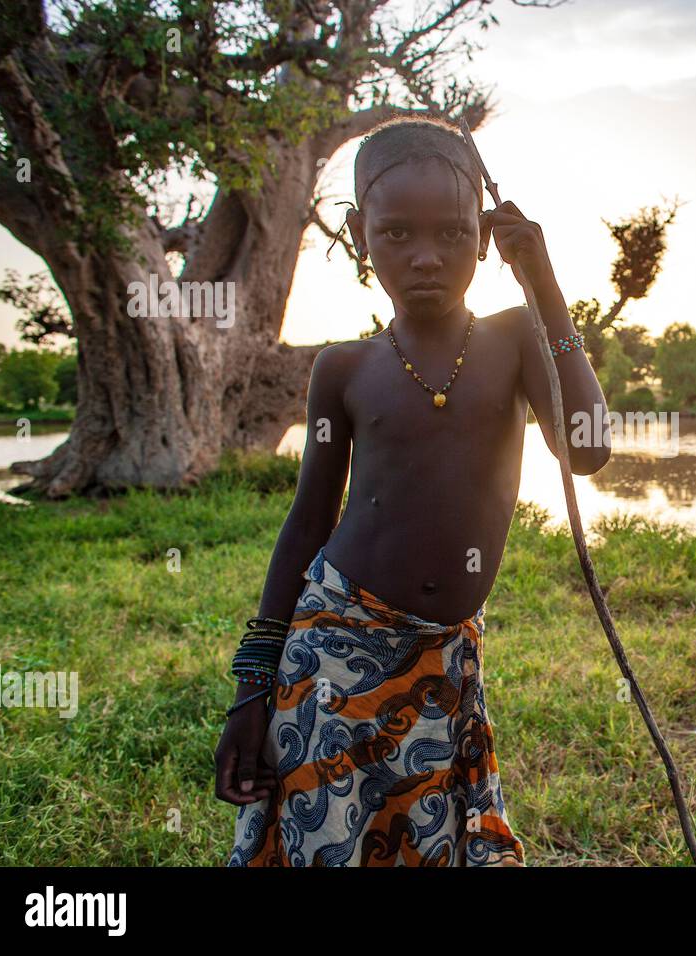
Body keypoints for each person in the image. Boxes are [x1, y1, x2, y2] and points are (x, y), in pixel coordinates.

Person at [214, 115, 611, 865]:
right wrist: (252, 689)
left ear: (485, 237)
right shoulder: (343, 368)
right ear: (359, 235)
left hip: (446, 659)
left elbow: (587, 449)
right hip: (333, 651)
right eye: (396, 233)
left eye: (453, 233)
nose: (426, 256)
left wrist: (544, 283)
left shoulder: (516, 339)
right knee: (329, 836)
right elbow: (307, 524)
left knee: (427, 840)